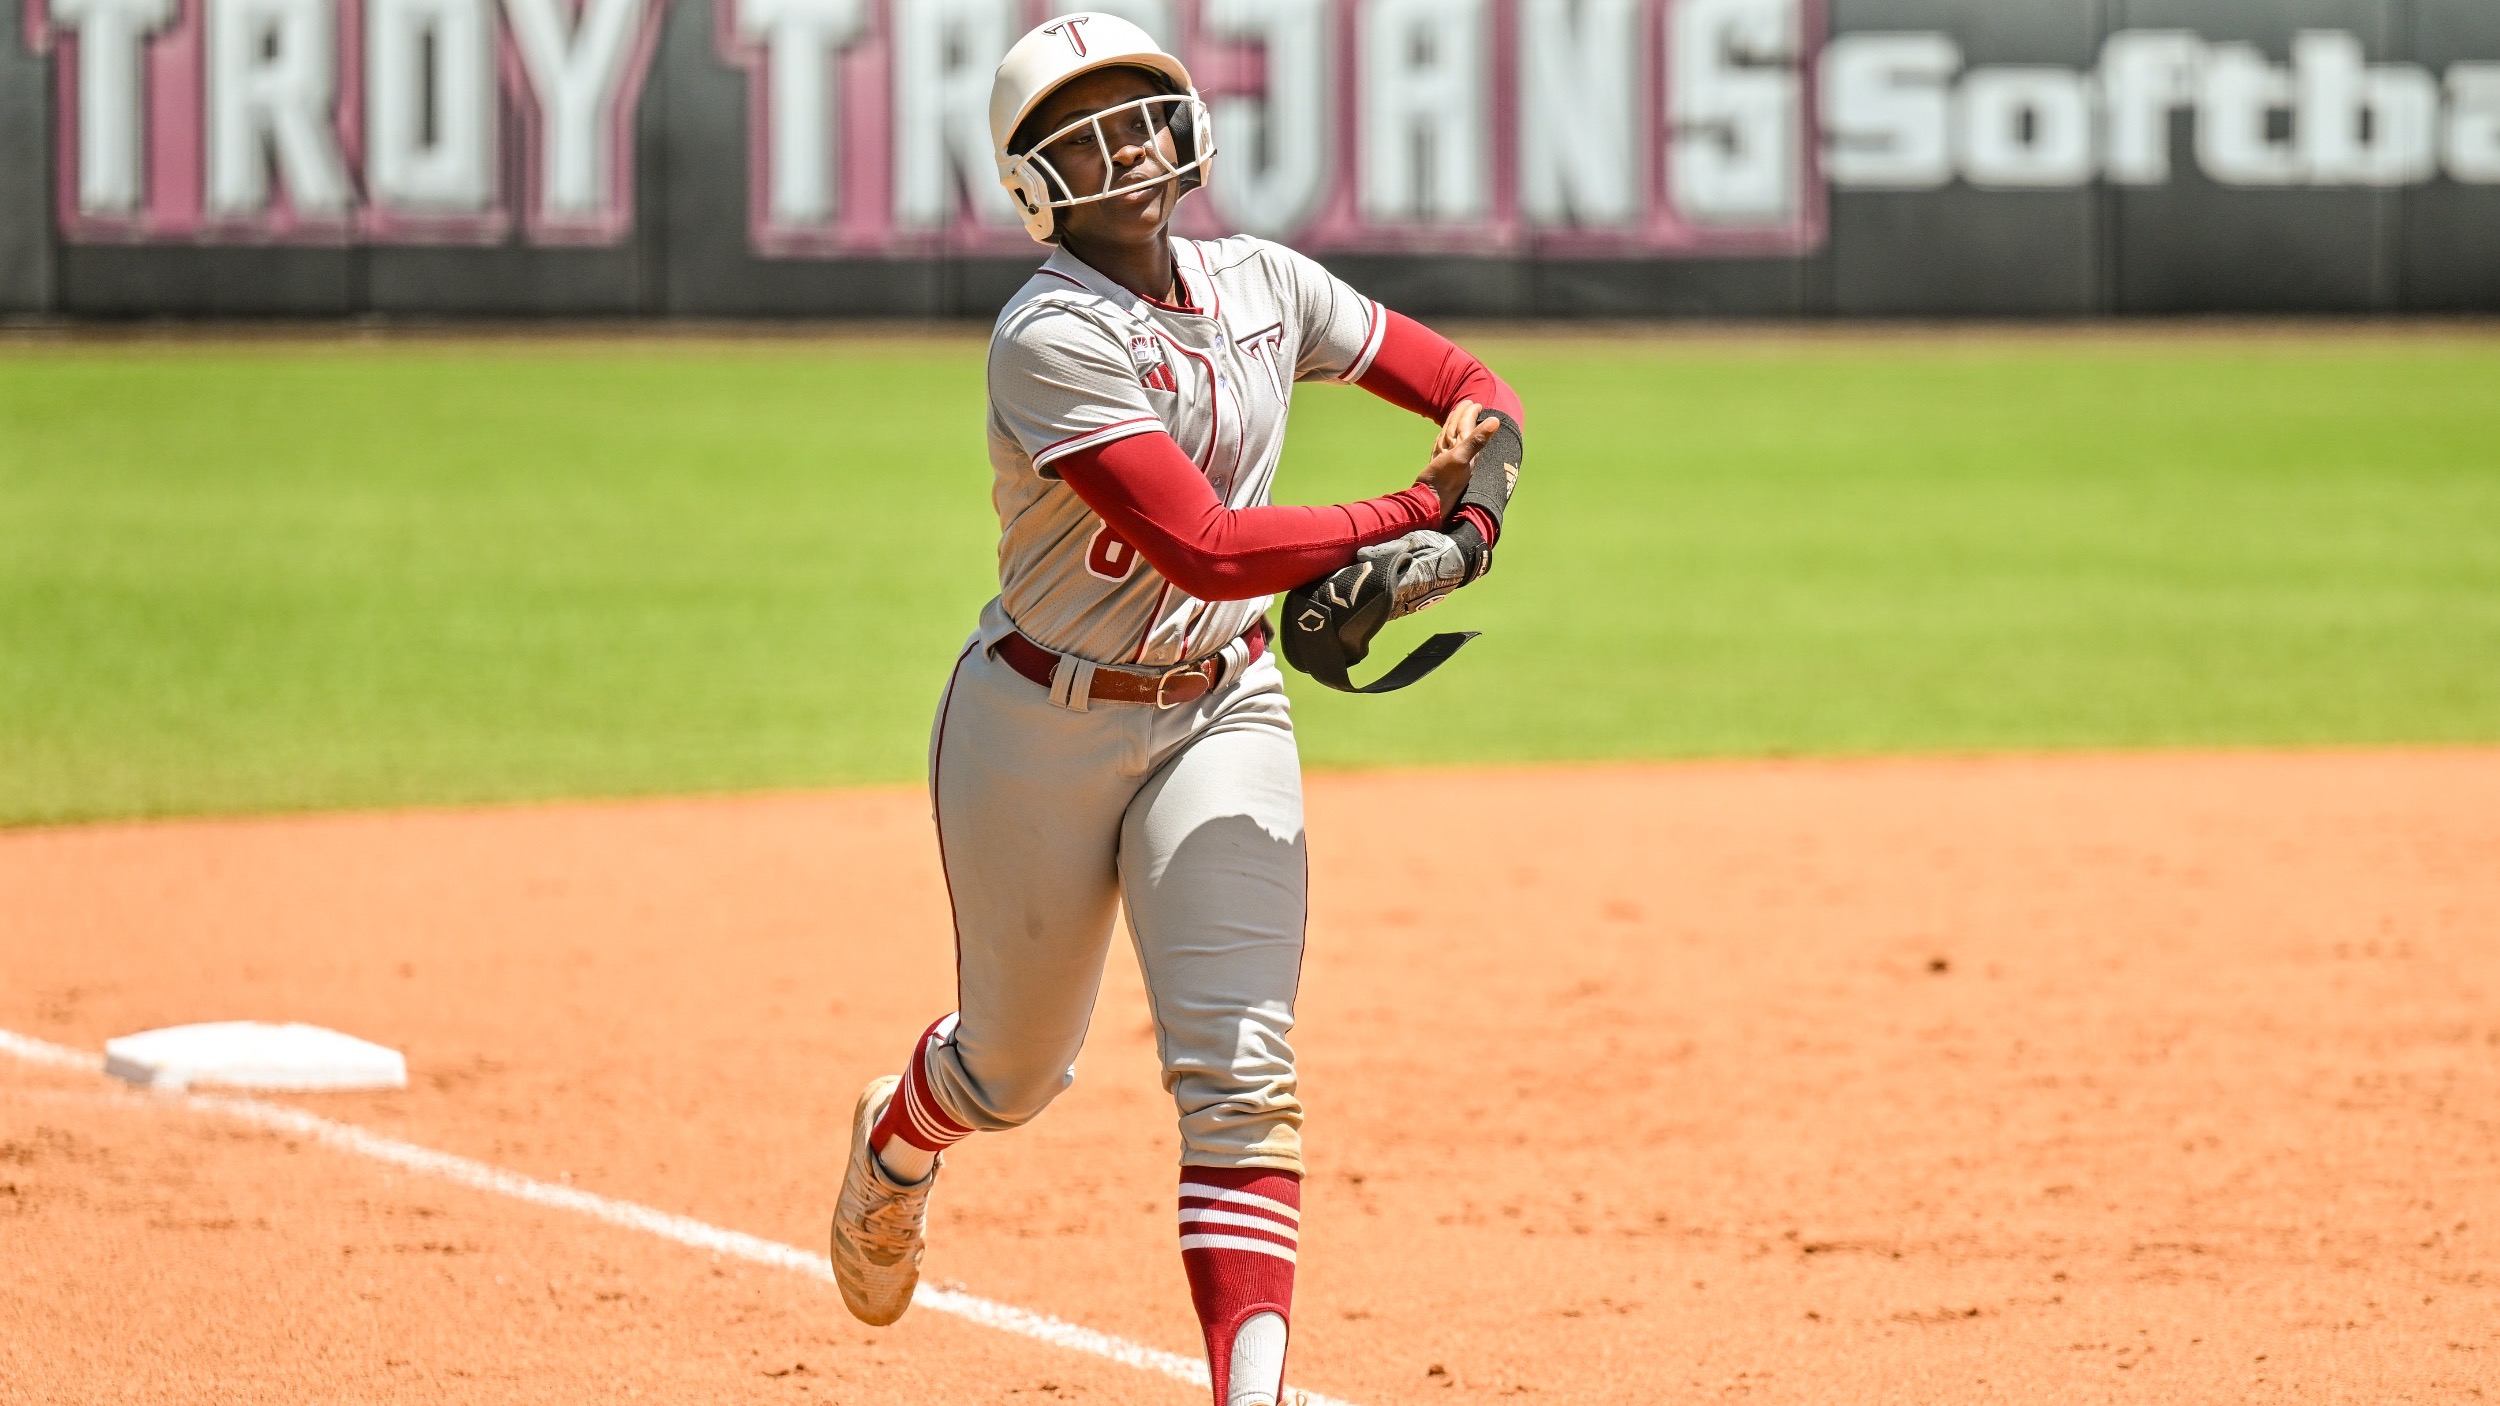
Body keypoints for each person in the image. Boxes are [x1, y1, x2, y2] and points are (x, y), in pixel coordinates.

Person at [828, 14, 1525, 1406]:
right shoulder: (1047, 333)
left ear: (1187, 123)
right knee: (1013, 1069)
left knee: (1244, 1066)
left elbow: (1474, 392)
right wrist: (1403, 514)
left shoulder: (1264, 281)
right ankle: (899, 1141)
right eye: (1079, 130)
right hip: (1041, 721)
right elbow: (1202, 546)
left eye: (1138, 112)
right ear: (1033, 179)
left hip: (1224, 705)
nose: (1124, 145)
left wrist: (1467, 538)